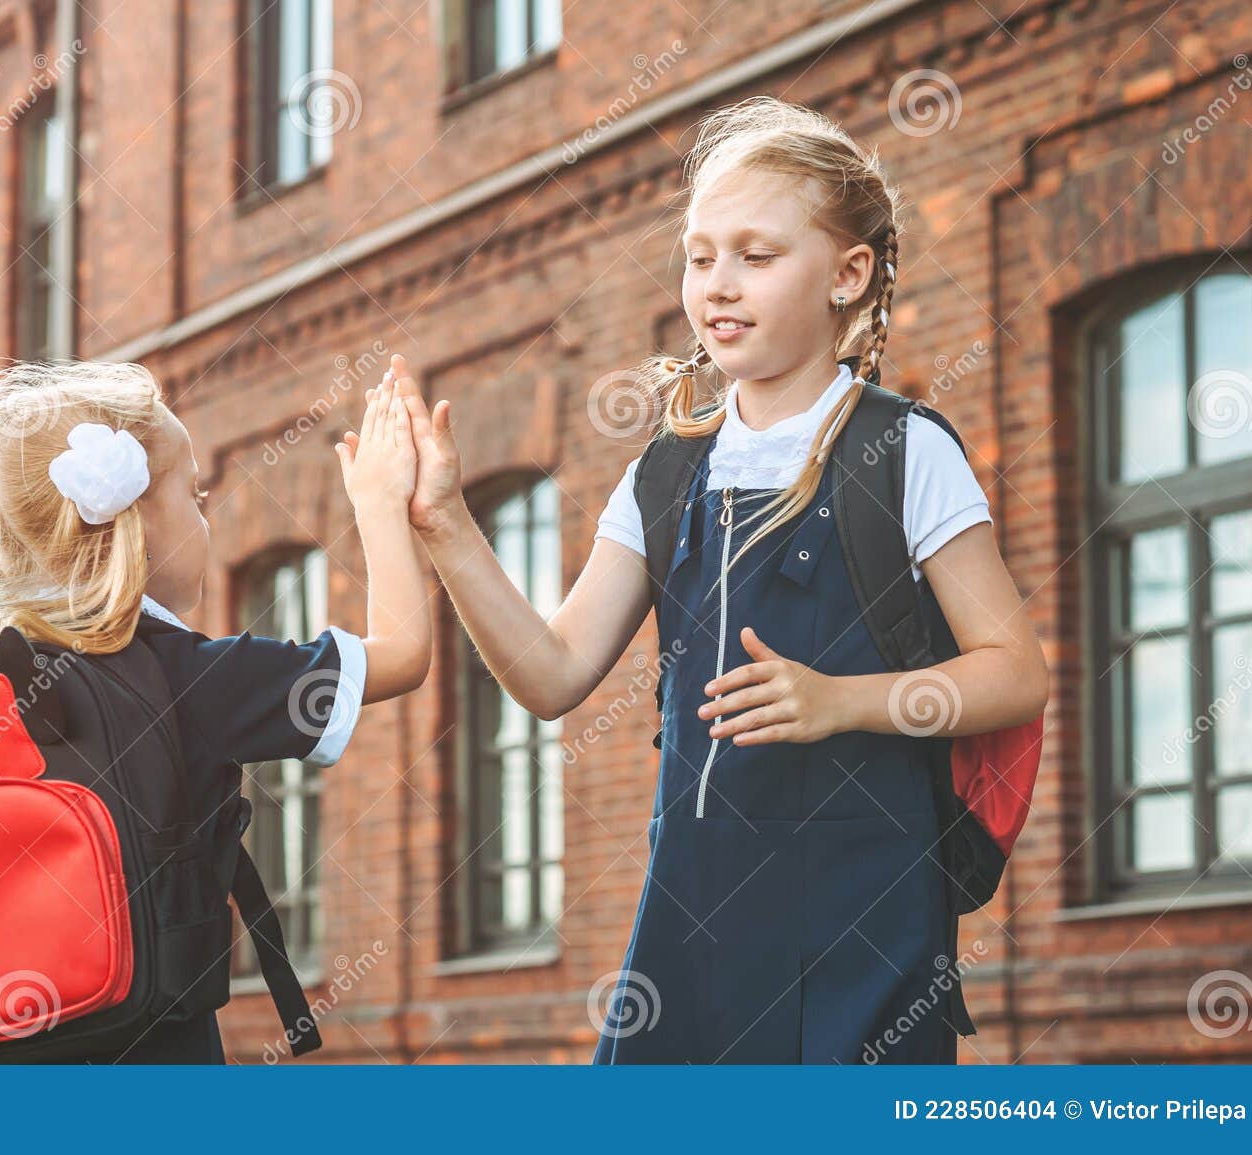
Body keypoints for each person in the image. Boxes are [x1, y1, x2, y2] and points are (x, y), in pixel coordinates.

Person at [370, 96, 1049, 1064]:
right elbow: (554, 672)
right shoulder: (666, 470)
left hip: (870, 940)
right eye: (698, 257)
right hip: (689, 935)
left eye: (755, 256)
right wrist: (443, 525)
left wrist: (837, 701)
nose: (716, 286)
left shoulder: (902, 451)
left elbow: (1013, 673)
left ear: (847, 276)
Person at [0, 359, 430, 1062]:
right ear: (135, 526)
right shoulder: (188, 677)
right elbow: (403, 652)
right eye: (193, 495)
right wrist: (379, 503)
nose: (204, 515)